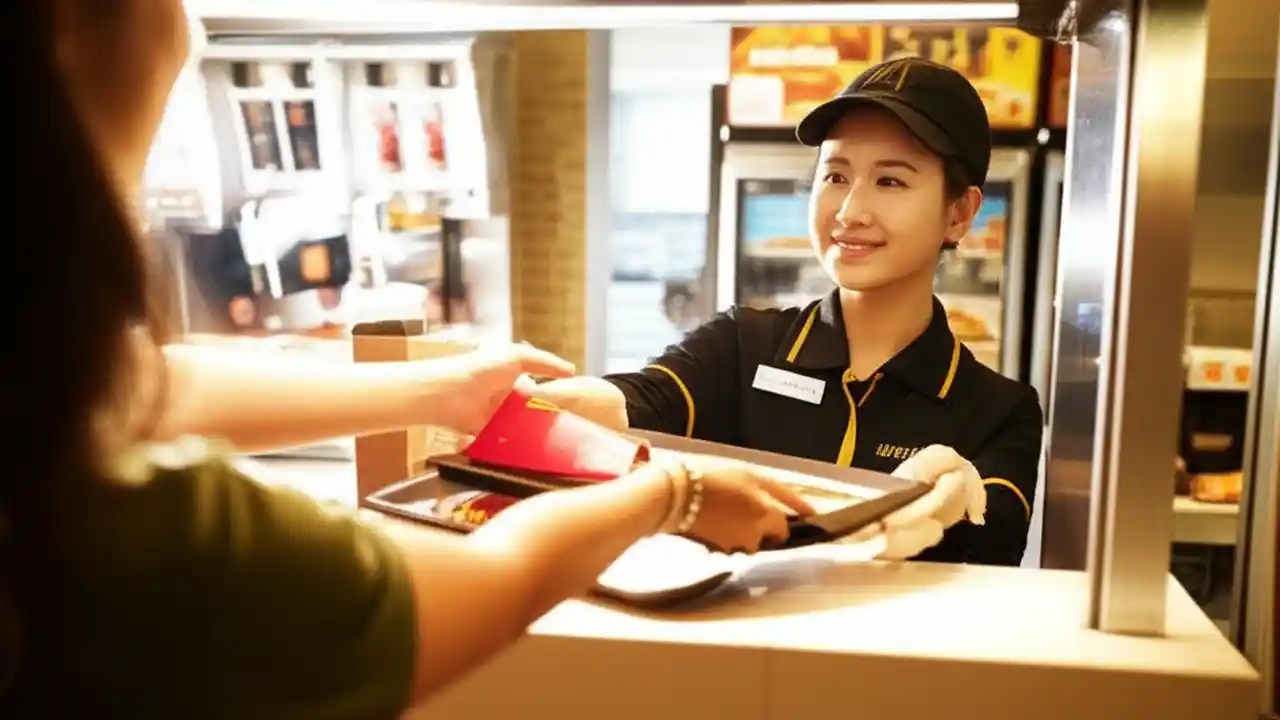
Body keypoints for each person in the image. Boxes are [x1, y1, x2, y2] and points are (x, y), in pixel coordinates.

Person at [3, 2, 834, 715]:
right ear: (70, 31)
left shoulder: (41, 411)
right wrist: (670, 494)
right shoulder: (124, 538)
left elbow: (145, 387)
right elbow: (480, 585)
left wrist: (447, 390)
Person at [536, 57, 1045, 567]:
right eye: (836, 176)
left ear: (959, 213)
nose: (849, 212)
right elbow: (636, 401)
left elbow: (994, 548)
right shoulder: (740, 348)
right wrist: (524, 401)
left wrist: (957, 502)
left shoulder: (1000, 412)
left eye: (890, 182)